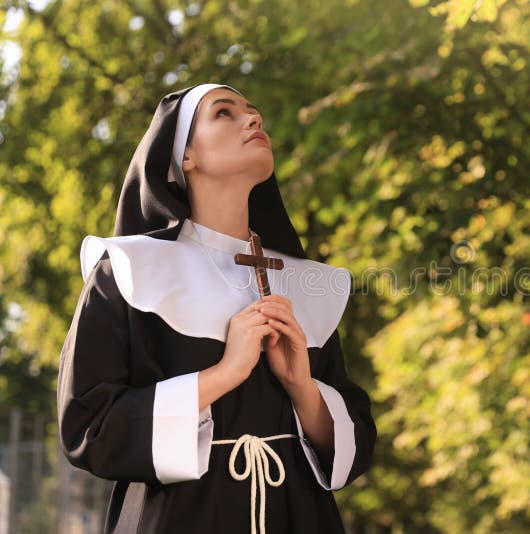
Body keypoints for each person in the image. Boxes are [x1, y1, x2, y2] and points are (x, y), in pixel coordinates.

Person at [57, 83, 376, 533]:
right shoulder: (129, 271)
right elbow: (90, 427)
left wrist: (302, 387)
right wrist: (223, 375)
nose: (253, 119)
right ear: (185, 155)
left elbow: (353, 446)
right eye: (224, 112)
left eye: (253, 111)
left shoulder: (304, 284)